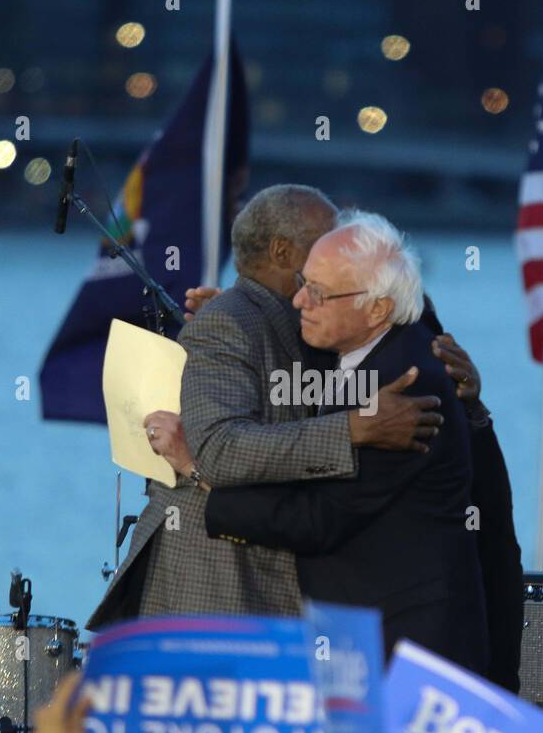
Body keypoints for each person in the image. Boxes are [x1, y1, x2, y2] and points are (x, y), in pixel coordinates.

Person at [85, 185, 444, 629]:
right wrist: (352, 429)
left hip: (271, 590)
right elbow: (219, 447)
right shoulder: (229, 323)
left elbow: (391, 299)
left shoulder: (306, 325)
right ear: (281, 251)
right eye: (328, 237)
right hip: (216, 590)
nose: (340, 244)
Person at [169, 211, 490, 673]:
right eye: (303, 281)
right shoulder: (372, 348)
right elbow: (292, 360)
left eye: (318, 292)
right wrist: (232, 313)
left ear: (377, 307)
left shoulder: (404, 388)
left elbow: (316, 518)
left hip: (404, 653)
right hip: (366, 637)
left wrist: (194, 470)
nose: (299, 299)